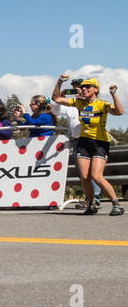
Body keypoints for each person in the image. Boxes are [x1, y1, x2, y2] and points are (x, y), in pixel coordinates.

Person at [52, 74, 123, 215]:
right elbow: (56, 99)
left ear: (96, 89)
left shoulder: (102, 104)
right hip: (83, 142)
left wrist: (114, 94)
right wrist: (59, 82)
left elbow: (119, 112)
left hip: (99, 143)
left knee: (97, 176)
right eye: (82, 87)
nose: (84, 89)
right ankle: (91, 205)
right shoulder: (79, 103)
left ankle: (116, 204)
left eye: (87, 87)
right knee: (85, 177)